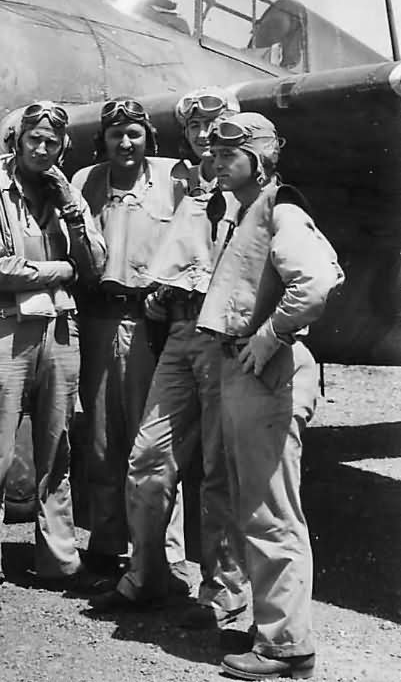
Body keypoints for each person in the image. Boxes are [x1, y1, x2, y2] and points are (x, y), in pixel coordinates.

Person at [89, 87, 249, 626]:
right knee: (147, 460)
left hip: (224, 338)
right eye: (196, 127)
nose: (205, 135)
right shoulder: (187, 192)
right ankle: (148, 575)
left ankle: (223, 592)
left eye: (215, 125)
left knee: (218, 469)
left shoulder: (255, 196)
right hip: (180, 334)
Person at [198, 113, 342, 680]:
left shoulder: (282, 207)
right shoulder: (247, 211)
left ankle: (287, 646)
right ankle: (274, 629)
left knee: (271, 511)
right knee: (253, 505)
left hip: (269, 372)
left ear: (256, 158)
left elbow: (316, 282)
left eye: (229, 151)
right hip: (247, 371)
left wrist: (269, 335)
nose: (216, 158)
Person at [0, 100, 108, 611]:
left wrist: (72, 205)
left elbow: (96, 263)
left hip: (60, 330)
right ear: (16, 142)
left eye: (51, 143)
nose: (42, 149)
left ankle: (59, 560)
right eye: (34, 140)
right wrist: (60, 271)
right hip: (6, 329)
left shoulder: (64, 196)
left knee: (57, 452)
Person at [71, 98, 188, 584]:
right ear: (104, 140)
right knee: (100, 439)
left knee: (154, 439)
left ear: (148, 138)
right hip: (98, 317)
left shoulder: (174, 181)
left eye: (135, 133)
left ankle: (165, 549)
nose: (125, 142)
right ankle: (105, 540)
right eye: (116, 133)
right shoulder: (85, 181)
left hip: (147, 321)